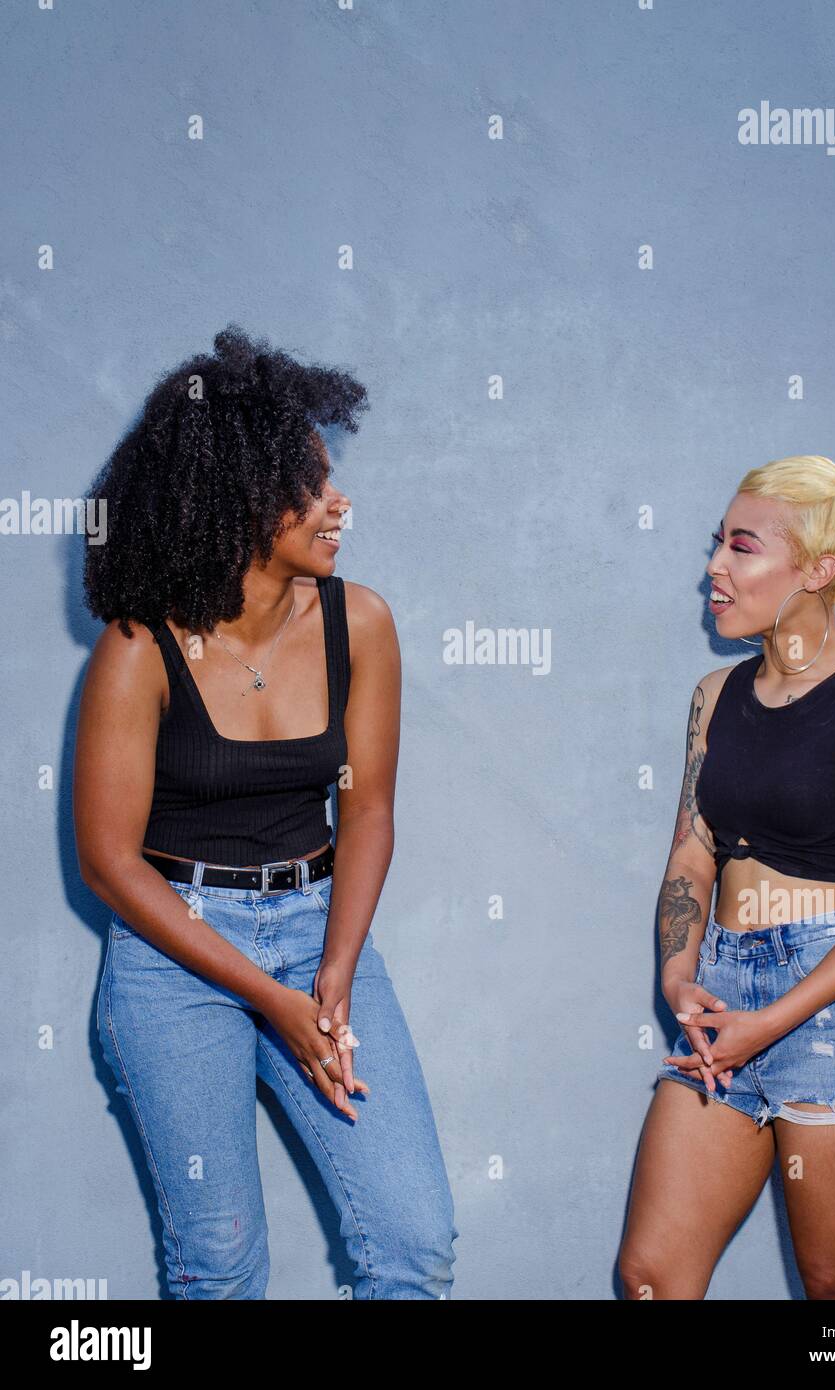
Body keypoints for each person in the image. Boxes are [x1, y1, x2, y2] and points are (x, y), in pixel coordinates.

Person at [75, 325, 457, 1299]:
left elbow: (368, 811)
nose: (340, 506)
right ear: (243, 498)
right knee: (222, 1266)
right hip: (175, 958)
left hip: (315, 928)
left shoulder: (357, 621)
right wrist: (265, 995)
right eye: (314, 486)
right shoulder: (138, 649)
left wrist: (327, 971)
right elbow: (111, 862)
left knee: (413, 1243)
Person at [619, 455, 835, 1301]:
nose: (714, 567)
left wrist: (774, 1021)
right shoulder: (713, 695)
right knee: (651, 1277)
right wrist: (679, 976)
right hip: (723, 993)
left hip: (830, 1011)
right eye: (718, 543)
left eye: (742, 547)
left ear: (817, 570)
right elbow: (693, 848)